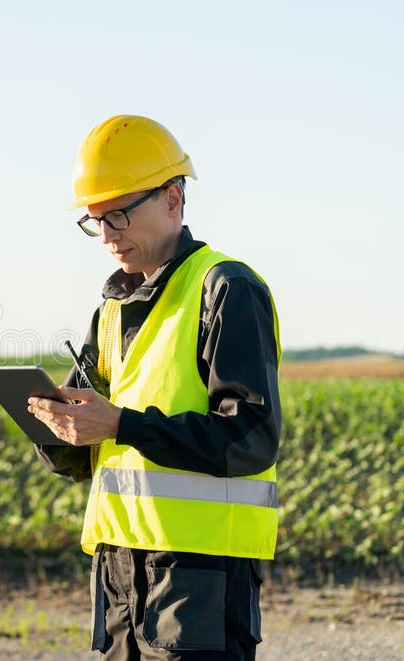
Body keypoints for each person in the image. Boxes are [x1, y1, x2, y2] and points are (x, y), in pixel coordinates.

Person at [27, 115, 281, 660]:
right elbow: (87, 455)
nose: (107, 235)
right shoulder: (113, 310)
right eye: (95, 221)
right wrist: (58, 430)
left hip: (201, 575)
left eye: (118, 214)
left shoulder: (227, 289)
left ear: (172, 197)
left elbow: (251, 438)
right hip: (121, 571)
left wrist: (122, 423)